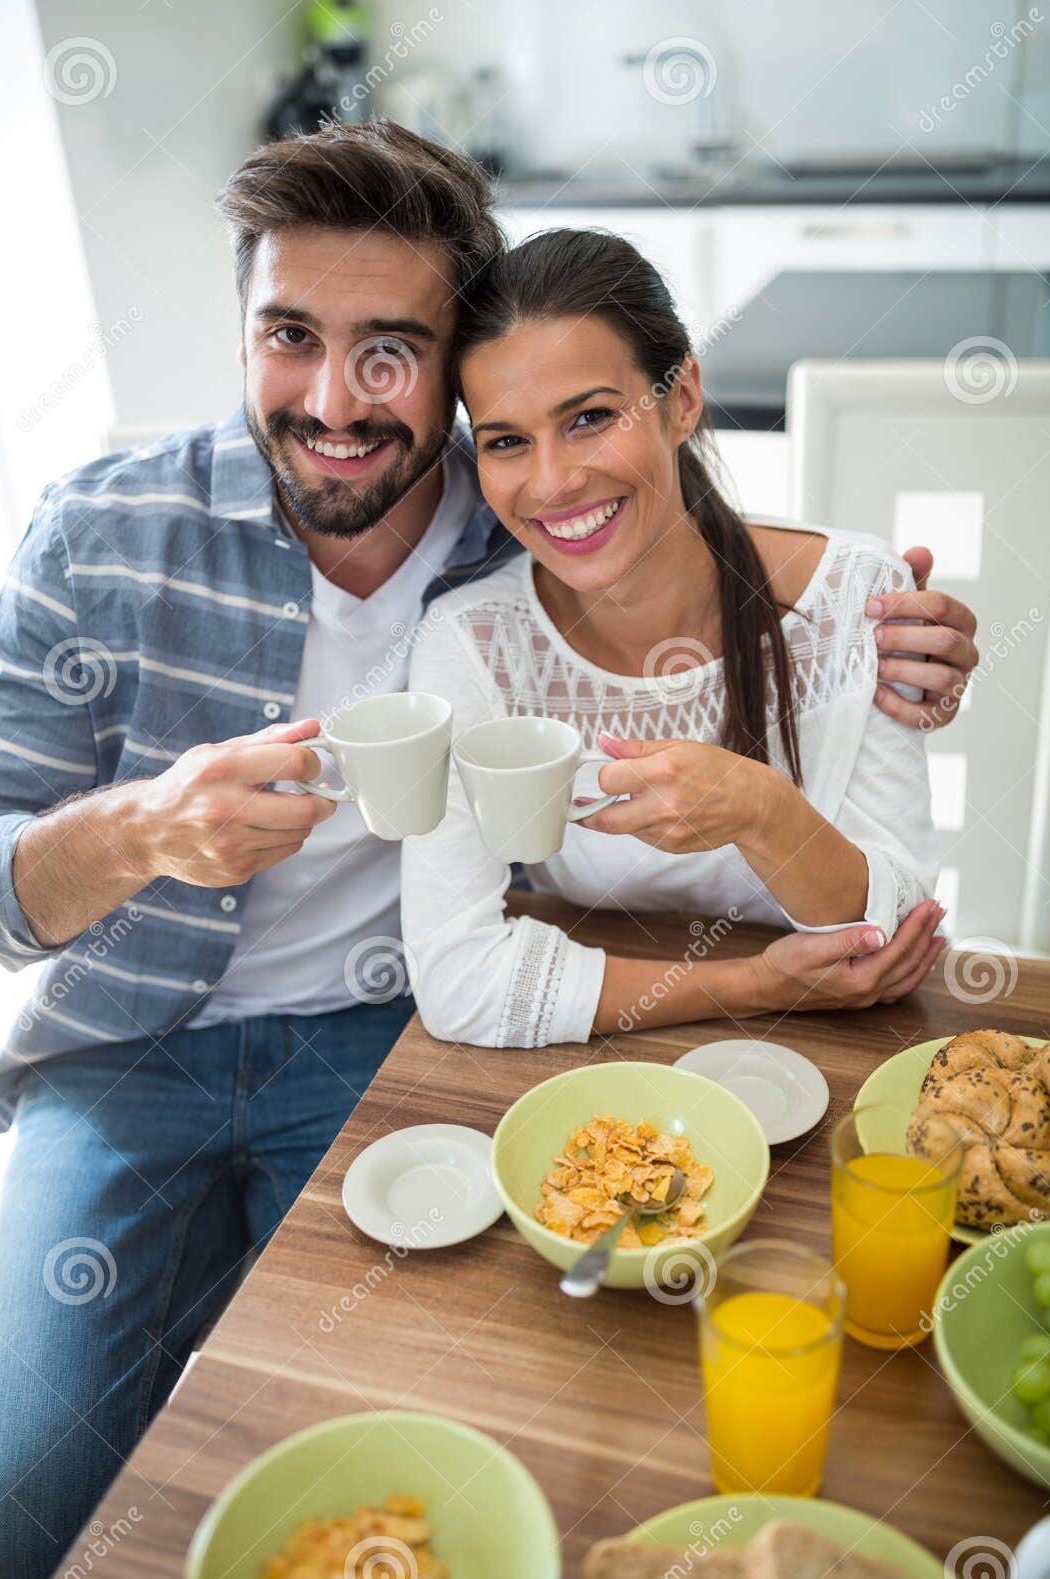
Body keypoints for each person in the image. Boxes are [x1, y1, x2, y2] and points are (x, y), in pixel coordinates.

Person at [0, 122, 976, 1579]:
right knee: (25, 1497)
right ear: (242, 329)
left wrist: (883, 621)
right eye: (289, 335)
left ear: (446, 371)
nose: (335, 401)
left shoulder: (508, 519)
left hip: (377, 1035)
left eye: (390, 351)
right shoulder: (99, 531)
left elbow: (670, 532)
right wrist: (141, 830)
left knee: (413, 1454)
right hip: (125, 1054)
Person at [402, 229, 950, 1045]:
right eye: (507, 441)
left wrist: (761, 810)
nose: (552, 482)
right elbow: (458, 985)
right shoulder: (471, 642)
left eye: (590, 418)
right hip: (605, 1065)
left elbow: (898, 936)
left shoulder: (856, 595)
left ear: (681, 397)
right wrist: (754, 984)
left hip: (837, 1050)